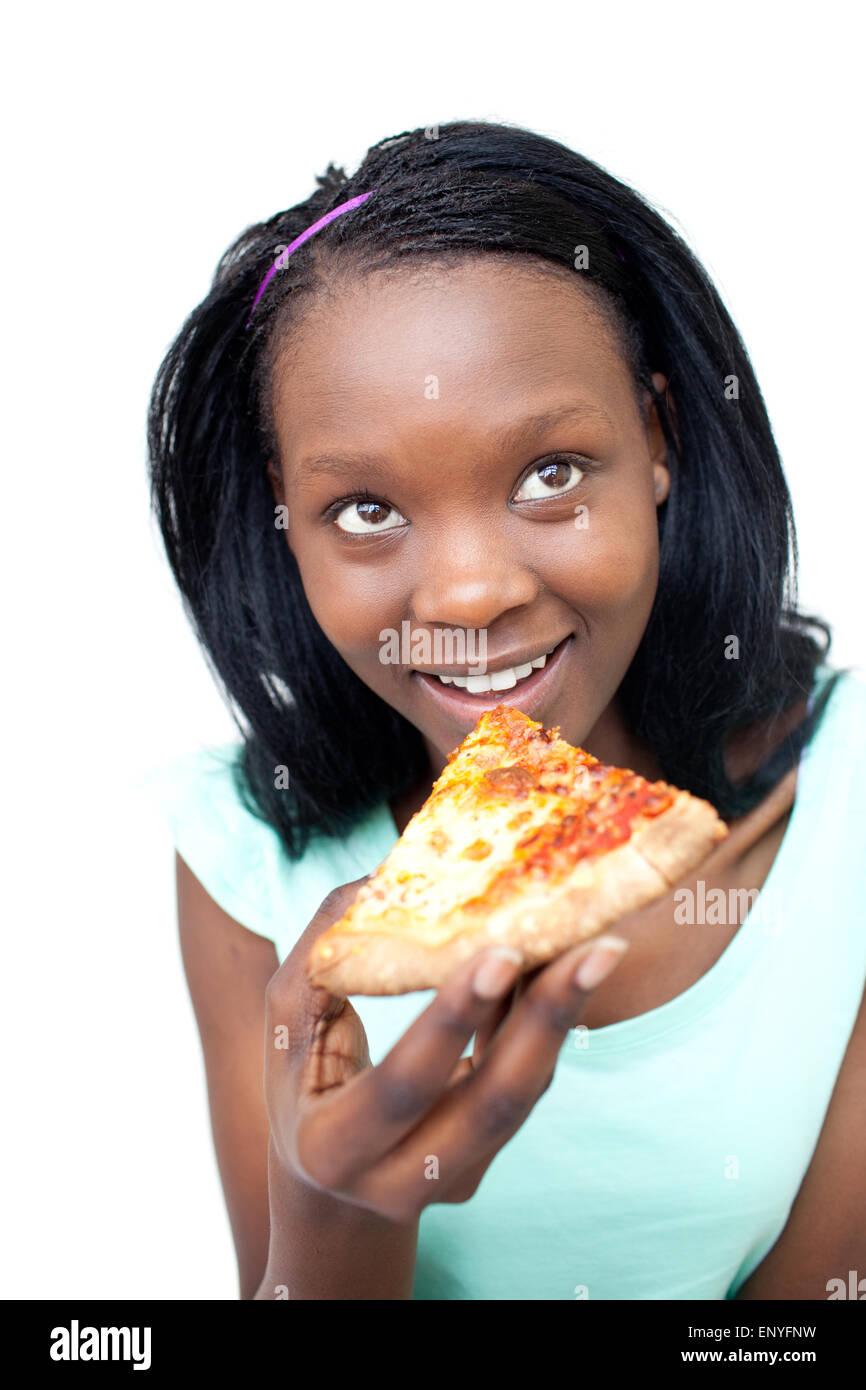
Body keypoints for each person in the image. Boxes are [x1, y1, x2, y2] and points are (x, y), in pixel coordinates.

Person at [143, 120, 866, 1300]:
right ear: (284, 516)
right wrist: (333, 1218)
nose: (470, 592)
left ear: (659, 439)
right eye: (365, 507)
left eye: (548, 473)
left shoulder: (846, 797)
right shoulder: (245, 860)